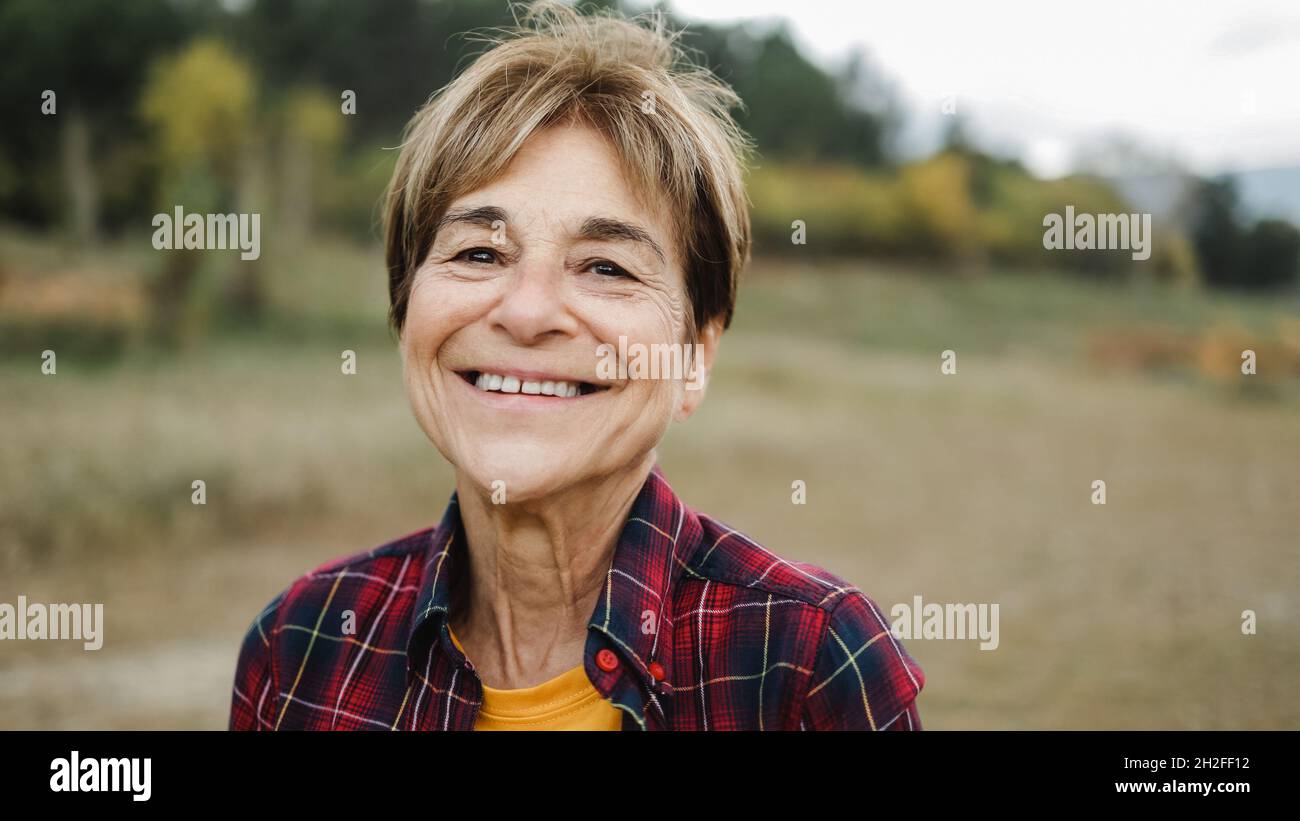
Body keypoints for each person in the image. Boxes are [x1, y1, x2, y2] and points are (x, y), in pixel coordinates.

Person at [229, 1, 923, 731]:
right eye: (479, 253)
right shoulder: (299, 649)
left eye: (605, 266)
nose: (527, 313)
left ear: (696, 357)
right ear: (405, 315)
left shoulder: (807, 661)